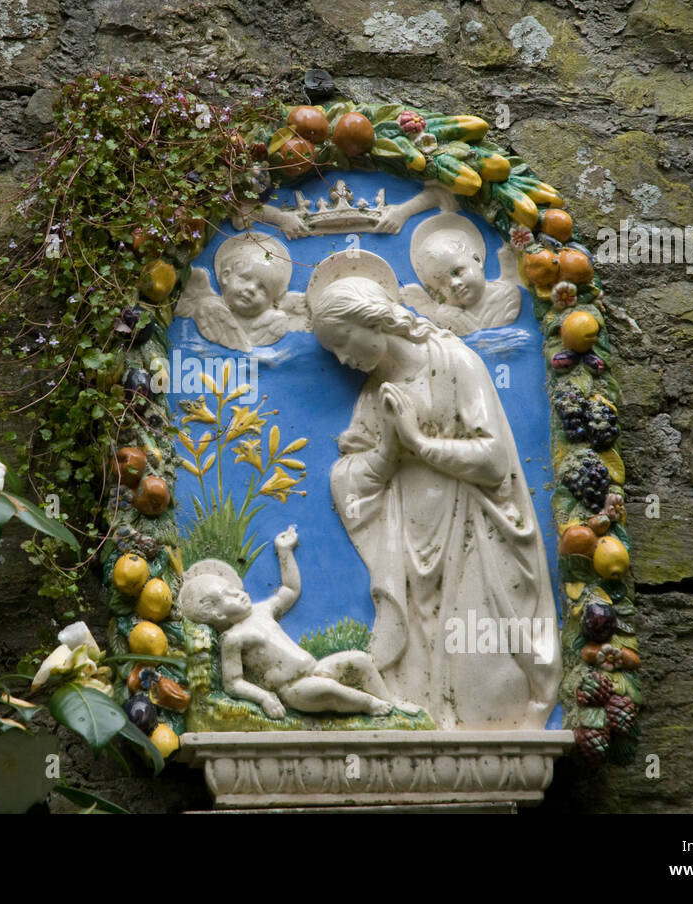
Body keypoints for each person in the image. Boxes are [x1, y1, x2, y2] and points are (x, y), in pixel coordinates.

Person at [306, 259, 560, 730]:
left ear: (371, 317)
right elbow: (350, 477)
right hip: (408, 550)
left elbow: (494, 461)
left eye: (342, 343)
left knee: (483, 686)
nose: (341, 358)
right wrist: (388, 449)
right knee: (418, 688)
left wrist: (420, 445)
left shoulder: (454, 361)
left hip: (476, 538)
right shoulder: (374, 394)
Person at [180, 526, 422, 718]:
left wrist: (284, 553)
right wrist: (264, 697)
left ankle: (391, 702)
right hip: (294, 689)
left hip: (316, 669)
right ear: (219, 616)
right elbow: (233, 683)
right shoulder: (233, 639)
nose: (238, 592)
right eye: (229, 596)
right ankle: (370, 704)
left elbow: (290, 590)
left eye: (233, 588)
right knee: (330, 691)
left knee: (361, 660)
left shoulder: (262, 610)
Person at [176, 232, 304, 351]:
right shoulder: (208, 307)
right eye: (245, 278)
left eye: (263, 289)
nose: (251, 289)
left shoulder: (271, 323)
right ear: (226, 275)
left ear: (271, 302)